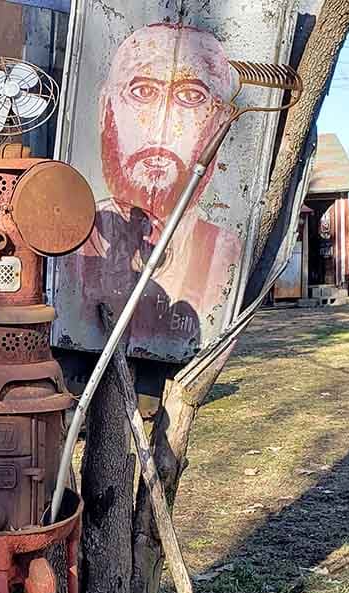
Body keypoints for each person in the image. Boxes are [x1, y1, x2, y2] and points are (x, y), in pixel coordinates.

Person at [71, 22, 242, 362]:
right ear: (106, 110)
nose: (162, 125)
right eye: (142, 92)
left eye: (191, 97)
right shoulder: (69, 243)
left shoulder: (222, 251)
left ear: (219, 121)